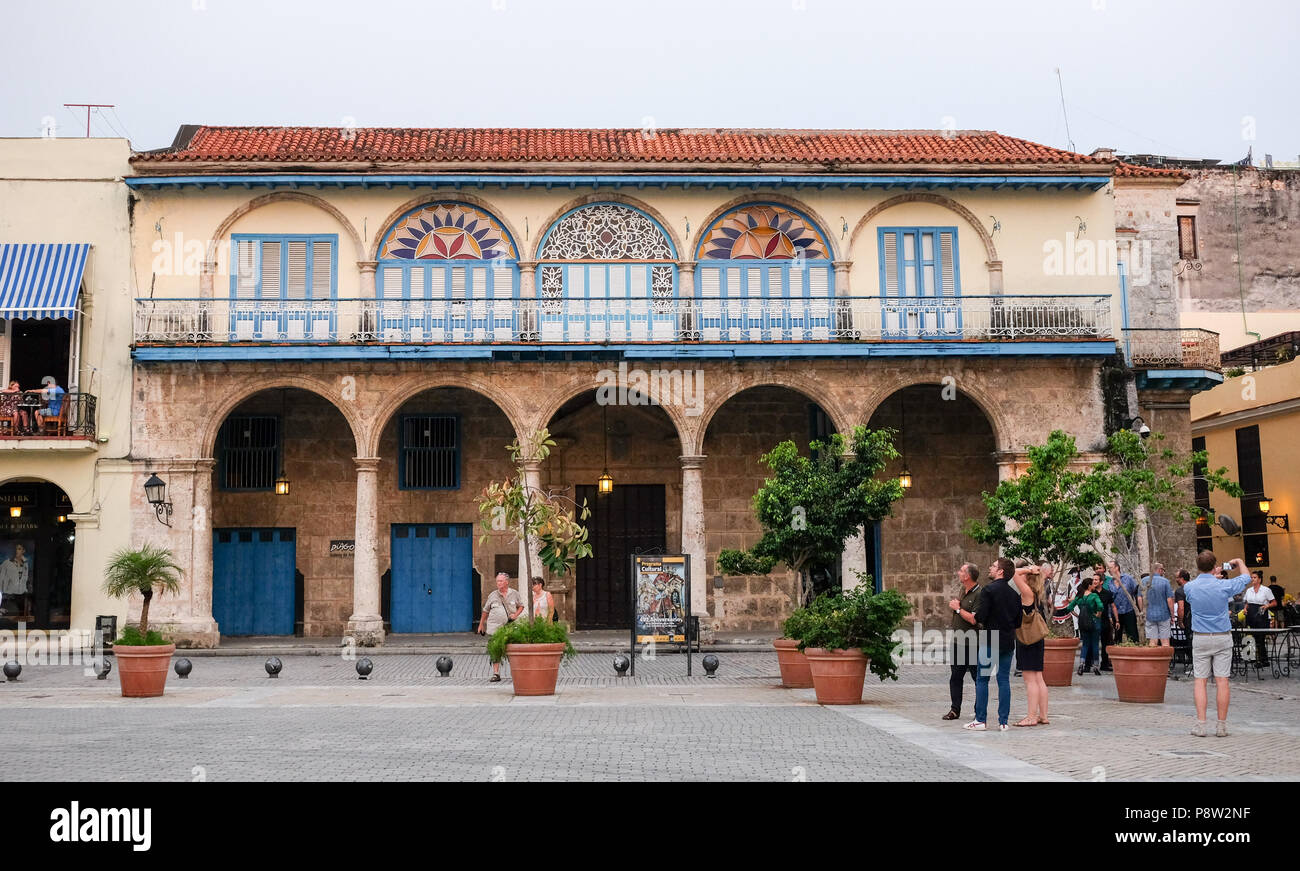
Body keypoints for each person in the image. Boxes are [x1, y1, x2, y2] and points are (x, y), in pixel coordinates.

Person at [1183, 552, 1251, 737]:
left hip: (1201, 636)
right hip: (1222, 636)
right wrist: (1239, 561)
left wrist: (1211, 576)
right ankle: (1221, 726)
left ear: (1198, 566)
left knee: (1200, 680)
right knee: (1222, 681)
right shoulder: (1223, 585)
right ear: (1215, 566)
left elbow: (1192, 597)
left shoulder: (1190, 587)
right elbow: (1245, 578)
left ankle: (1201, 724)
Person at [967, 556, 1020, 732]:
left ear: (1000, 571)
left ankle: (981, 719)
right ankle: (1003, 721)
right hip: (1008, 640)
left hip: (990, 638)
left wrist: (978, 618)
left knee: (982, 679)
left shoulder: (988, 590)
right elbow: (1018, 621)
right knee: (1003, 680)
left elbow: (980, 616)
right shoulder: (1014, 594)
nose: (990, 568)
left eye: (994, 566)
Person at [1011, 560, 1049, 727]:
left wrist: (1028, 569)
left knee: (1030, 680)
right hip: (1037, 639)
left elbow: (1012, 572)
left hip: (1028, 640)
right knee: (1039, 678)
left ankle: (1031, 716)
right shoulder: (1038, 593)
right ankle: (1043, 715)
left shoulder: (1027, 593)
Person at [944, 562, 982, 721]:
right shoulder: (963, 590)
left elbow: (974, 620)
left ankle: (978, 710)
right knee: (955, 677)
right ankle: (954, 709)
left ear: (967, 576)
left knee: (977, 677)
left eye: (961, 571)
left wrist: (958, 609)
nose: (959, 573)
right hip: (958, 642)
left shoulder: (980, 593)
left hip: (972, 643)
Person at [477, 572, 524, 682]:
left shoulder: (514, 593)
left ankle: (516, 671)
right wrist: (481, 624)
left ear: (507, 582)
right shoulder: (493, 595)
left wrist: (515, 615)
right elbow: (485, 610)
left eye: (501, 581)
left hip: (509, 626)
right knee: (495, 648)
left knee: (513, 648)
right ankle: (496, 673)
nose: (498, 583)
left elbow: (521, 606)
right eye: (497, 581)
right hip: (494, 627)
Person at [1063, 574, 1104, 675]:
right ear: (1089, 586)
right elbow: (1100, 606)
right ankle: (1095, 666)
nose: (1094, 585)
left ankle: (1081, 664)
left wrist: (1077, 615)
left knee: (1085, 644)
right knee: (1094, 644)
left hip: (1082, 622)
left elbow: (1069, 608)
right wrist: (1098, 614)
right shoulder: (1094, 596)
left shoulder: (1079, 596)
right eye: (1092, 584)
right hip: (1094, 622)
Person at [1244, 570, 1277, 668]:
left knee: (1260, 638)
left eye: (1254, 577)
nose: (1252, 579)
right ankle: (1253, 657)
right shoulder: (1249, 590)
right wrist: (1245, 609)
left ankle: (1263, 660)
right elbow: (1247, 603)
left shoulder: (1266, 590)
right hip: (1251, 615)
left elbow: (1274, 602)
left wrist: (1266, 606)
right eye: (1252, 577)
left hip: (1262, 616)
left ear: (1259, 579)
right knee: (1252, 637)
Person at [1144, 563, 1176, 648]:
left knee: (1152, 641)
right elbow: (1169, 599)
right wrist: (1172, 615)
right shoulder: (1165, 581)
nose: (1163, 572)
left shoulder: (1144, 580)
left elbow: (1140, 598)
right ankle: (1165, 661)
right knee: (1165, 641)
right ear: (1160, 570)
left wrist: (1143, 611)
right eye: (1163, 570)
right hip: (1164, 614)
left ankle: (1153, 661)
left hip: (1149, 614)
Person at [1109, 561, 1141, 643]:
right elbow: (1110, 601)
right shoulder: (1110, 583)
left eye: (1110, 567)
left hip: (1128, 610)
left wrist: (1139, 609)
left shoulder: (1128, 578)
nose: (1109, 570)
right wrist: (1110, 615)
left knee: (1132, 635)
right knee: (1117, 636)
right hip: (1116, 614)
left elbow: (1136, 592)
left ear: (1117, 567)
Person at [1095, 564, 1117, 671]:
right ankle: (1090, 664)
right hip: (1094, 620)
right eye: (1096, 568)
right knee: (1092, 642)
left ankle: (1104, 663)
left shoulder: (1108, 589)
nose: (1098, 570)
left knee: (1106, 642)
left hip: (1104, 619)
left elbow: (1112, 606)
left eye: (1100, 568)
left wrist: (1114, 619)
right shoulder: (1091, 591)